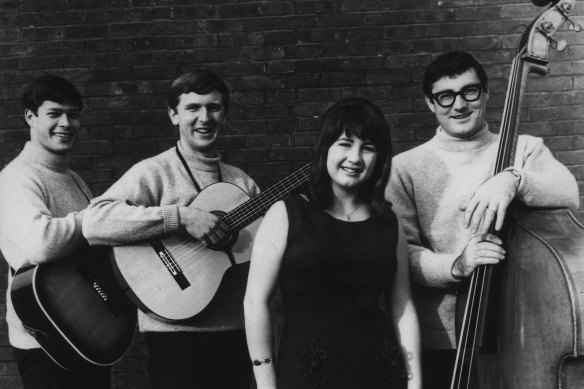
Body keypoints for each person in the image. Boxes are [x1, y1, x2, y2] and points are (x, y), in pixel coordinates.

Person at [386, 50, 579, 388]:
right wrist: (456, 267)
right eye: (445, 96)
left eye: (469, 91)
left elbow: (567, 192)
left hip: (522, 331)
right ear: (430, 103)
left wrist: (514, 179)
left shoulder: (524, 150)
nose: (458, 105)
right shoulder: (404, 168)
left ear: (486, 92)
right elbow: (403, 254)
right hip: (443, 339)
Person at [82, 70, 259, 389]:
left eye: (214, 107)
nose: (204, 117)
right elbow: (96, 222)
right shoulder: (154, 172)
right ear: (174, 115)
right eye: (193, 108)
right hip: (172, 339)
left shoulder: (243, 184)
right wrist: (181, 217)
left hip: (233, 335)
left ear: (225, 114)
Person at [244, 97, 422, 389]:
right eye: (345, 144)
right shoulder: (287, 213)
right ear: (325, 148)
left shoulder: (389, 223)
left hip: (379, 372)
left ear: (379, 158)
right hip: (304, 373)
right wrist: (266, 384)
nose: (355, 157)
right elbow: (255, 302)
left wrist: (415, 385)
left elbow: (402, 308)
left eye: (367, 148)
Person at [0, 75, 111, 388]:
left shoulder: (73, 178)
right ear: (30, 117)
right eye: (54, 114)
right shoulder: (17, 178)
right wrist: (95, 219)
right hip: (45, 339)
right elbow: (42, 243)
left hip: (86, 328)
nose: (66, 123)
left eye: (73, 114)